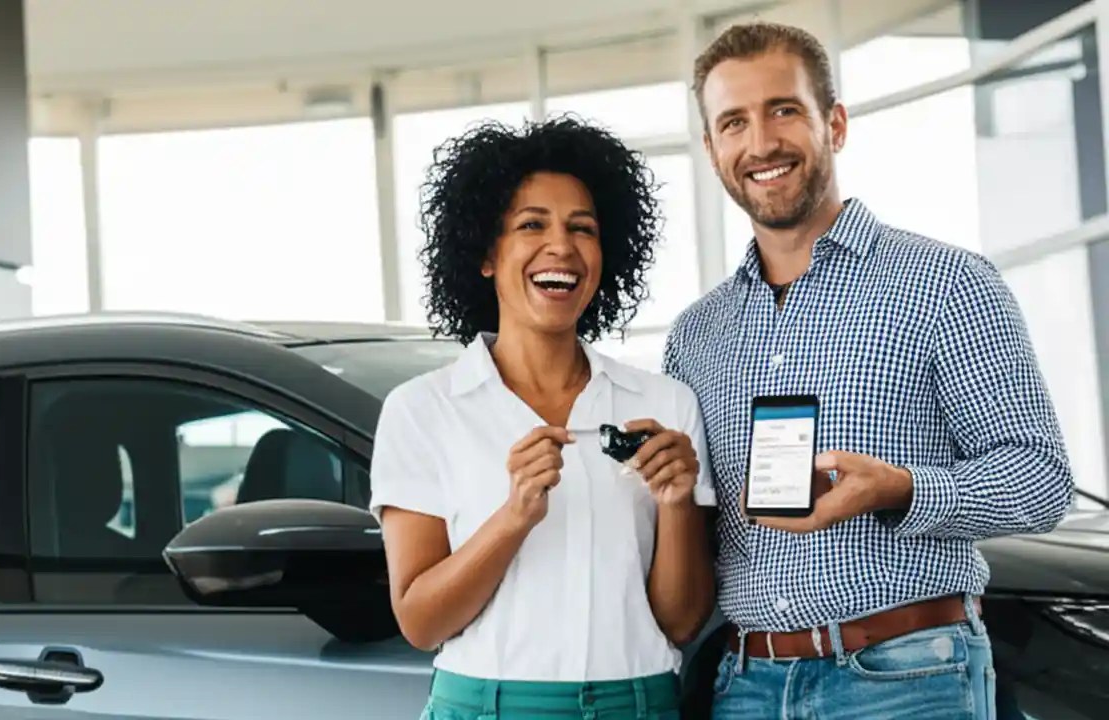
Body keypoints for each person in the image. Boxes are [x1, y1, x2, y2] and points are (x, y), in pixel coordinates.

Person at [663, 21, 1074, 720]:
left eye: (783, 110)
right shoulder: (694, 337)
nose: (760, 143)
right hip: (747, 687)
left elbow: (1039, 478)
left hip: (908, 680)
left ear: (836, 124)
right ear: (712, 149)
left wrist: (899, 490)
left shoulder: (946, 282)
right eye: (734, 122)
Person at [370, 116, 717, 719]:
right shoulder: (422, 411)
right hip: (486, 706)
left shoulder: (665, 405)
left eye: (582, 228)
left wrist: (677, 501)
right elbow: (421, 621)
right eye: (532, 224)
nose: (562, 245)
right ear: (485, 254)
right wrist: (514, 518)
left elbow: (682, 622)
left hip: (640, 704)